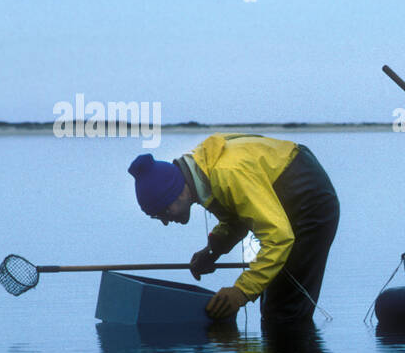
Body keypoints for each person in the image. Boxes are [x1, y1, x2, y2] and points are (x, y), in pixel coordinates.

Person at [127, 132, 339, 326]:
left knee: (283, 310)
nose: (165, 221)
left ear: (177, 193)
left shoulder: (227, 173)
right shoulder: (201, 172)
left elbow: (279, 237)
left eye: (163, 213)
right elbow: (238, 217)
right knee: (272, 302)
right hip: (286, 201)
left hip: (309, 202)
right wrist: (213, 250)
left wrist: (241, 292)